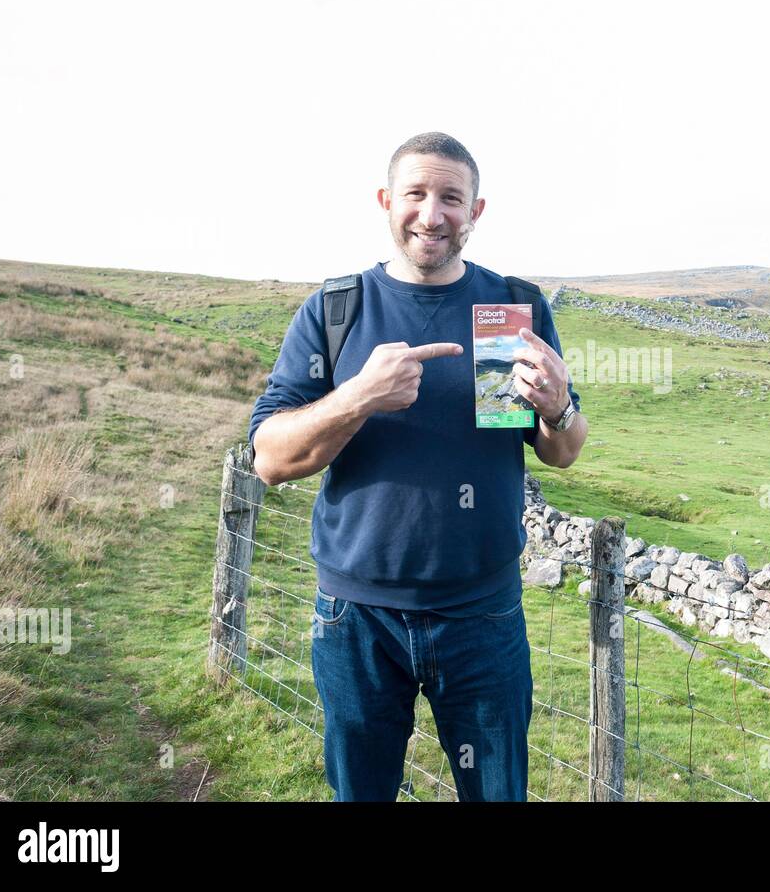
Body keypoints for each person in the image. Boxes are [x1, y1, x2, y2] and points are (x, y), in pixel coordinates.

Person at [248, 132, 587, 801]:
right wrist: (357, 397)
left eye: (451, 198)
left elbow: (562, 448)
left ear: (476, 210)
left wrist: (557, 409)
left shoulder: (511, 309)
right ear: (386, 201)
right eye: (416, 193)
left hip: (483, 616)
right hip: (356, 618)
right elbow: (270, 459)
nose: (432, 214)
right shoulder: (337, 309)